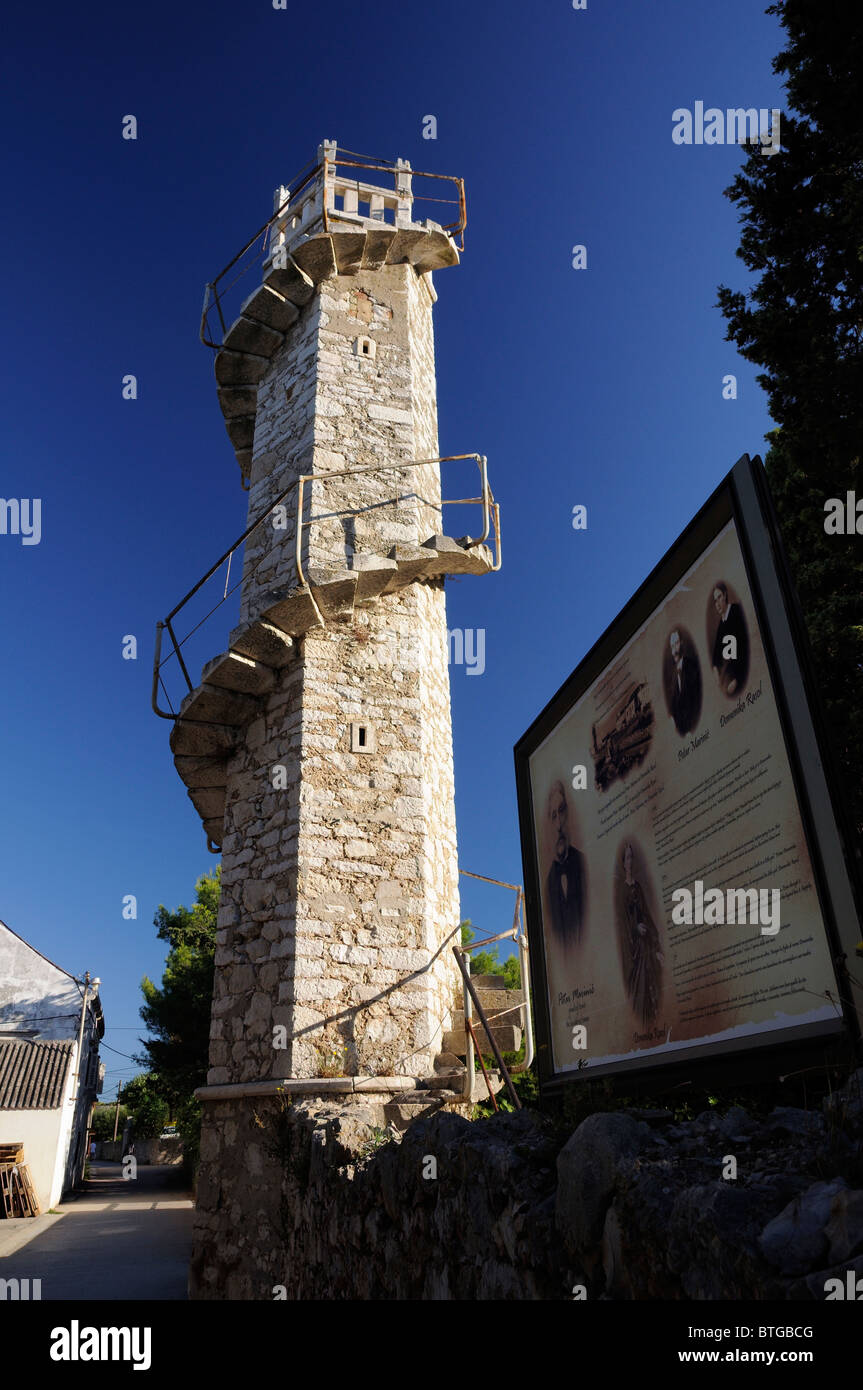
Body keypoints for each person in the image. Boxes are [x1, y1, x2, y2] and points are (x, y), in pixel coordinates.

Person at [621, 842, 664, 1027]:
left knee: (652, 983)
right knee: (639, 990)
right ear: (623, 863)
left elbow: (646, 912)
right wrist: (634, 929)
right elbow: (622, 922)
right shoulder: (622, 891)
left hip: (645, 943)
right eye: (627, 858)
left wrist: (656, 945)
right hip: (634, 949)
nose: (630, 861)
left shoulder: (638, 886)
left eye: (632, 857)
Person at [545, 780, 587, 946]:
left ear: (568, 813)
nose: (559, 825)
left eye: (561, 811)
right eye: (553, 815)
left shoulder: (585, 866)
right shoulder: (548, 885)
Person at [711, 583, 748, 696]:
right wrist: (715, 668)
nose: (717, 604)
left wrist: (737, 679)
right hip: (733, 675)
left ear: (725, 595)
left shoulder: (737, 612)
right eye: (715, 600)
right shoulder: (722, 624)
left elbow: (745, 648)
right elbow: (716, 653)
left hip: (742, 674)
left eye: (719, 597)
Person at [668, 629, 700, 735]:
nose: (674, 651)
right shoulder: (673, 676)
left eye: (676, 644)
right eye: (672, 646)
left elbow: (697, 704)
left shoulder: (692, 667)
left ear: (682, 643)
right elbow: (673, 706)